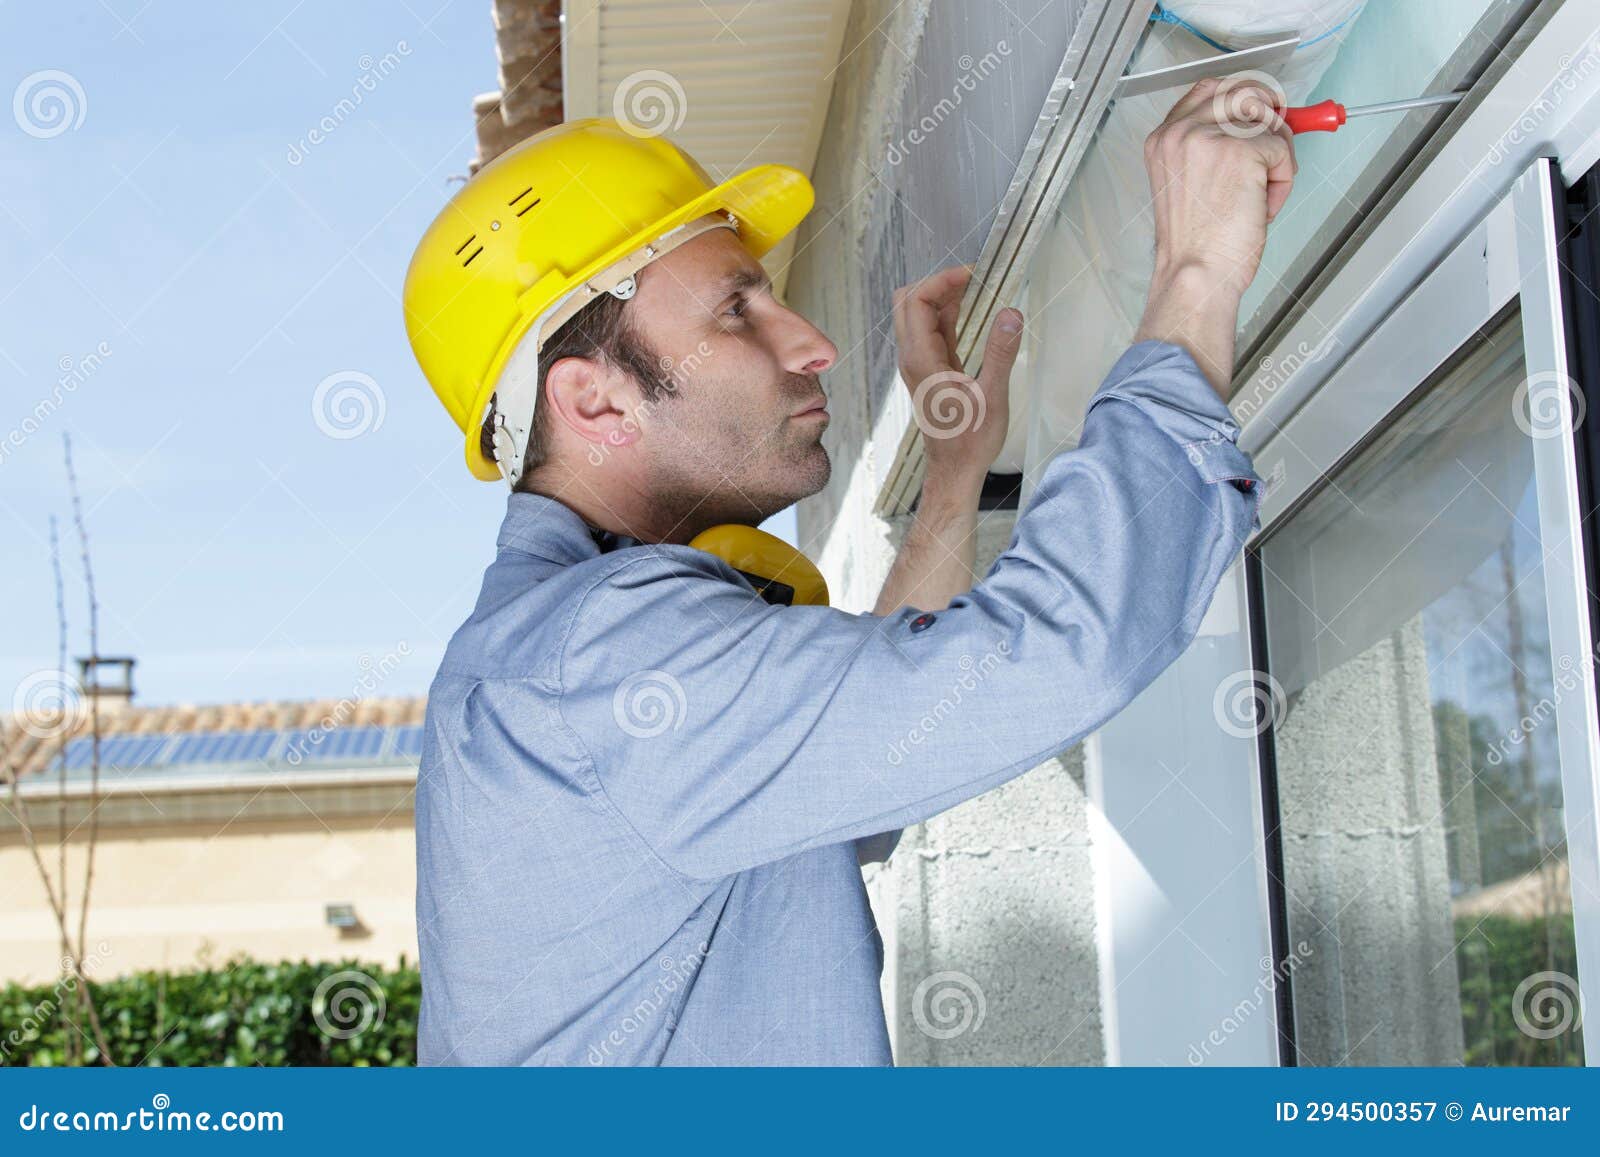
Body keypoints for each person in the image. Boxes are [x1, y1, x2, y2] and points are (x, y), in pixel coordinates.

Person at [401, 77, 1292, 1065]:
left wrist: (952, 477)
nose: (814, 346)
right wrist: (1198, 271)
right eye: (737, 313)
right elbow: (1057, 654)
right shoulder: (602, 663)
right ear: (597, 402)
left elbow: (852, 775)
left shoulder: (564, 669)